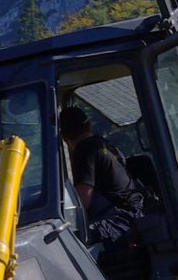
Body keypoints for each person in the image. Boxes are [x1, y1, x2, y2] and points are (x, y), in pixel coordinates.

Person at [58, 102, 149, 249]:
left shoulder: (84, 149)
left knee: (70, 242)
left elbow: (81, 203)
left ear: (63, 137)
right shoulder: (103, 144)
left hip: (121, 219)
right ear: (89, 126)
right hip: (136, 211)